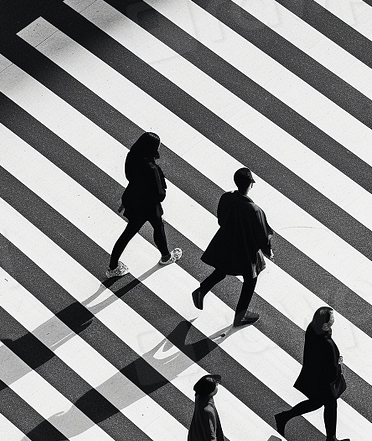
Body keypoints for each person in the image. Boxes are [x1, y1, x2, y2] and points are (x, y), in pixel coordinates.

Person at [191, 167, 273, 327]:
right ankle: (240, 316)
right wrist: (268, 250)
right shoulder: (255, 210)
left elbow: (221, 219)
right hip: (245, 249)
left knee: (222, 270)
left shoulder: (226, 198)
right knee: (250, 279)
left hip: (226, 242)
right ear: (250, 185)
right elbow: (262, 235)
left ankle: (201, 291)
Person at [104, 132, 182, 278]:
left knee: (131, 232)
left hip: (133, 199)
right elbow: (160, 195)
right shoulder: (152, 168)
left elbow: (129, 177)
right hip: (149, 205)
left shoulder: (132, 156)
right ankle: (165, 257)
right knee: (156, 227)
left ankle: (113, 266)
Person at [274, 306, 350, 441]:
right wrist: (338, 364)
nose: (334, 319)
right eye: (331, 317)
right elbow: (332, 371)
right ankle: (331, 440)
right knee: (330, 406)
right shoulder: (326, 343)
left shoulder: (313, 328)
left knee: (316, 403)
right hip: (325, 381)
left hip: (314, 375)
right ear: (325, 324)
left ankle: (284, 417)